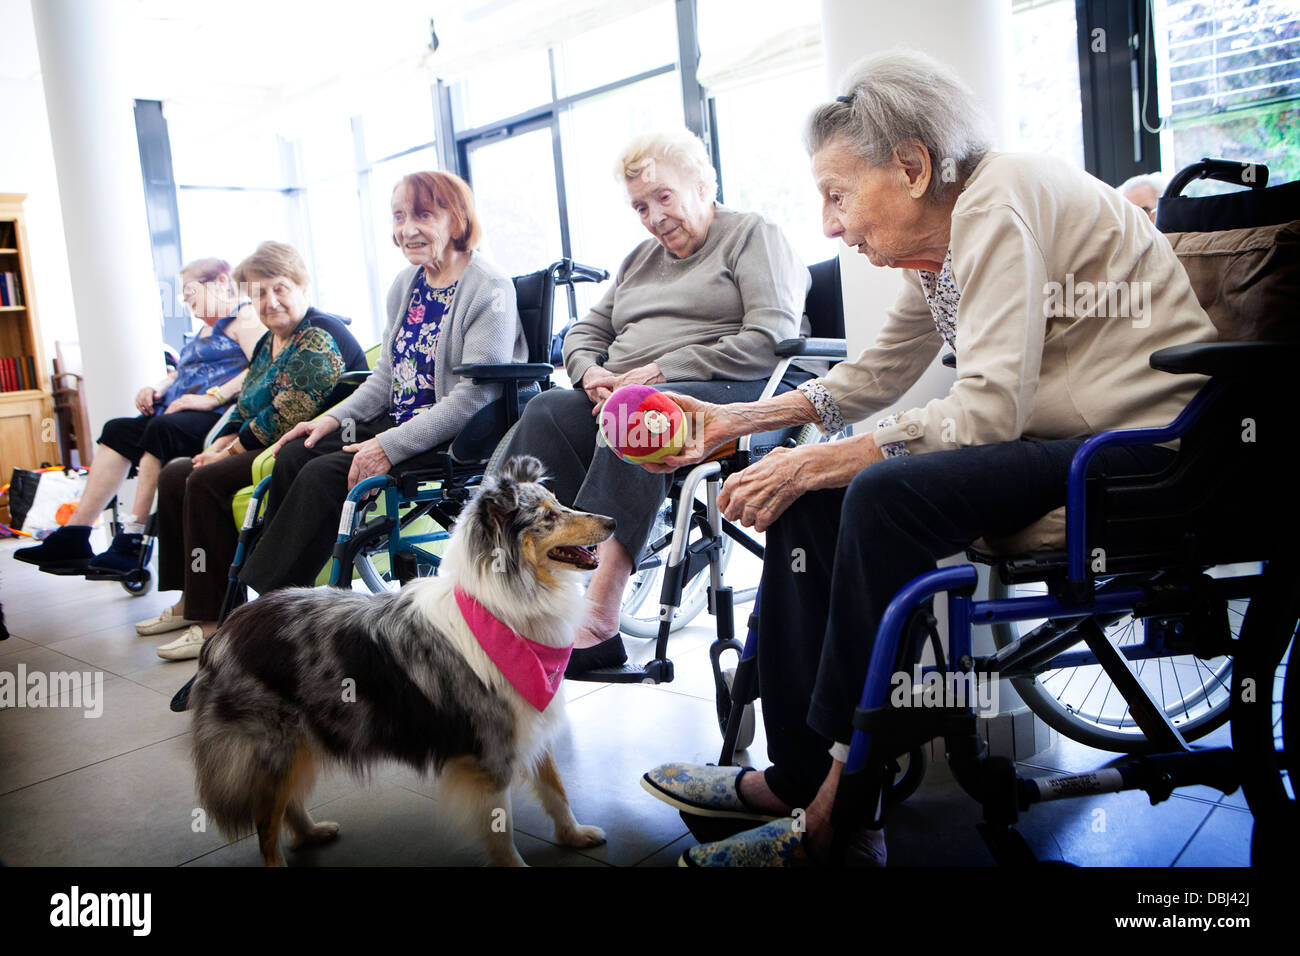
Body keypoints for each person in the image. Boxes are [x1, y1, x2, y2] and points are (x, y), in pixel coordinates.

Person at [638, 50, 1218, 866]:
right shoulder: (947, 239)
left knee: (873, 491)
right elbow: (879, 372)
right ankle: (800, 778)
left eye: (837, 195)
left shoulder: (998, 205)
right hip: (1056, 443)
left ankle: (841, 815)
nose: (831, 225)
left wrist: (817, 460)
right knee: (814, 497)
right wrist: (741, 419)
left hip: (1132, 448)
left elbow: (985, 413)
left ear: (911, 167)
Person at [497, 129, 809, 676]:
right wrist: (590, 371)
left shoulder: (753, 236)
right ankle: (506, 584)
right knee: (545, 411)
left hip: (737, 389)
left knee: (637, 413)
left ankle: (599, 617)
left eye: (663, 196)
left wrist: (662, 370)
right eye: (640, 205)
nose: (653, 216)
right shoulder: (640, 259)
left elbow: (768, 339)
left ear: (702, 182)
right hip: (630, 390)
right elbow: (582, 331)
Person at [233, 171, 524, 598]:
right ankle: (282, 600)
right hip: (398, 420)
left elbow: (474, 396)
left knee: (322, 477)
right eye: (399, 216)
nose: (407, 229)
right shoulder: (406, 284)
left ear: (457, 217)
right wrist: (329, 422)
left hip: (456, 434)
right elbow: (385, 377)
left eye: (424, 214)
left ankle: (271, 605)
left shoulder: (489, 286)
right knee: (300, 452)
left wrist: (388, 446)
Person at [140, 241, 366, 660]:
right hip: (264, 443)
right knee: (175, 471)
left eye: (279, 288)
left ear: (302, 285)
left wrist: (224, 455)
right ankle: (190, 600)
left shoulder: (318, 335)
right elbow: (249, 406)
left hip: (299, 448)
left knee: (203, 479)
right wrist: (223, 443)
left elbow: (285, 414)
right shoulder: (270, 342)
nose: (270, 301)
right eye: (258, 293)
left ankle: (214, 620)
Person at [15, 258, 260, 573]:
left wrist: (209, 398)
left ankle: (132, 540)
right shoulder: (203, 331)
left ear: (221, 280)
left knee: (161, 429)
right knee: (117, 430)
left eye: (190, 292)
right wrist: (156, 387)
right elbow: (180, 375)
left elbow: (258, 368)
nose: (187, 302)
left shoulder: (245, 318)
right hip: (176, 413)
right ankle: (74, 534)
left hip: (217, 417)